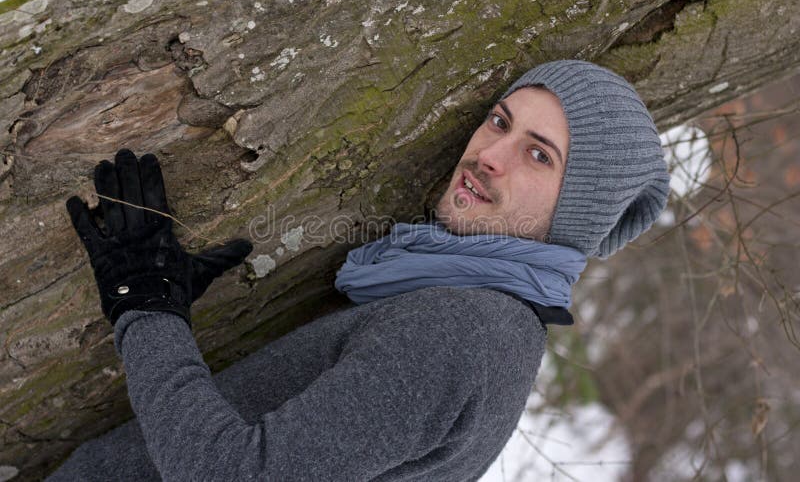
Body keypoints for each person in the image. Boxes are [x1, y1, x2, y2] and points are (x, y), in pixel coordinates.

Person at [48, 59, 670, 481]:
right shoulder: (474, 310)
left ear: (577, 213)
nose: (488, 157)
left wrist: (147, 304)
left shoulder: (464, 331)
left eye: (539, 155)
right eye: (500, 122)